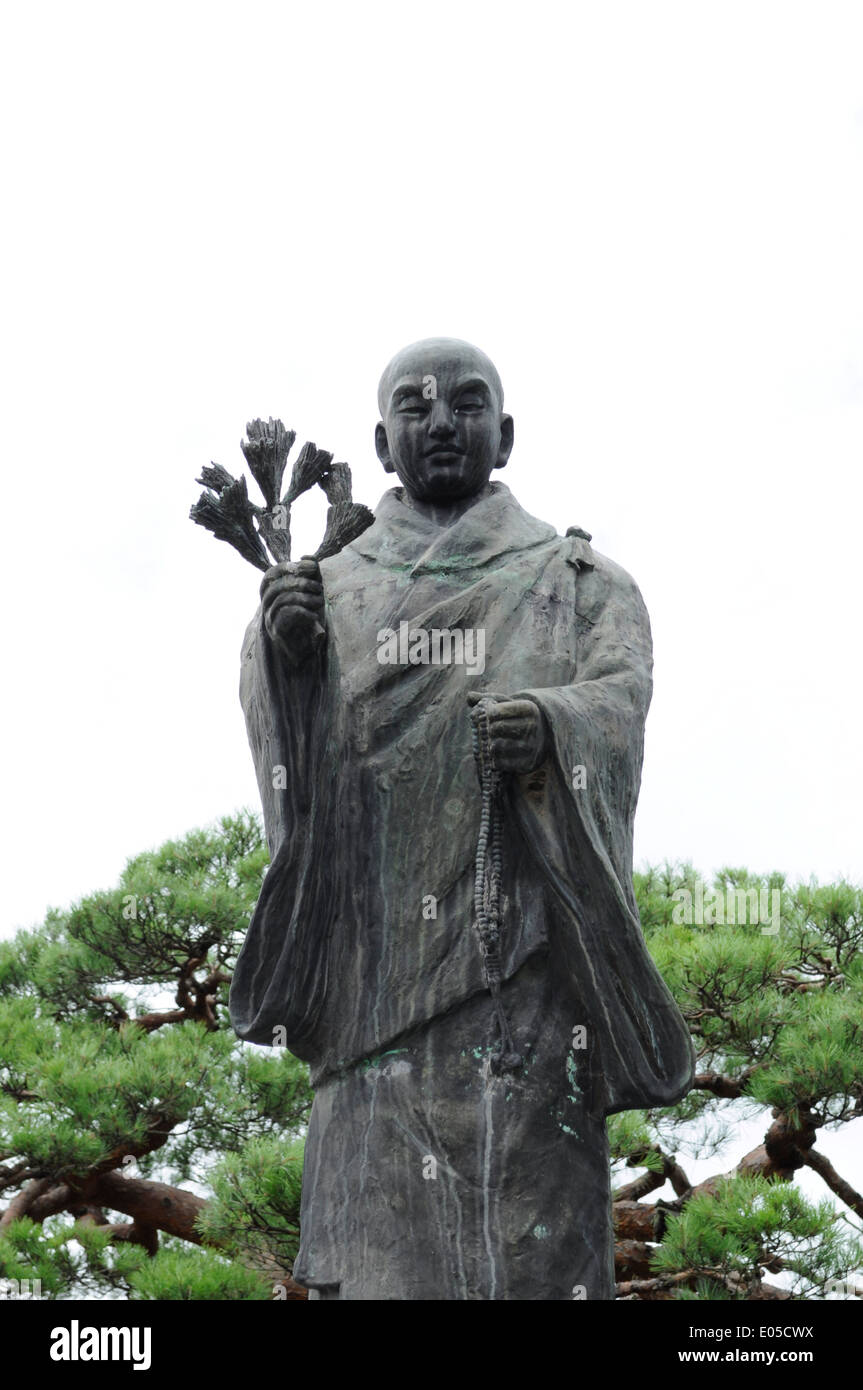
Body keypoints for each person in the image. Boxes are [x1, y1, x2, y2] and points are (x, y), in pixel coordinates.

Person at [229, 337, 694, 1300]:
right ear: (382, 441)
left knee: (534, 1259)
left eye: (466, 403)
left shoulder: (578, 583)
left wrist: (553, 730)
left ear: (507, 433)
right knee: (378, 1262)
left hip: (524, 986)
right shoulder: (331, 592)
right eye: (415, 405)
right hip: (375, 988)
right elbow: (300, 771)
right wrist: (290, 662)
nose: (441, 422)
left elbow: (621, 699)